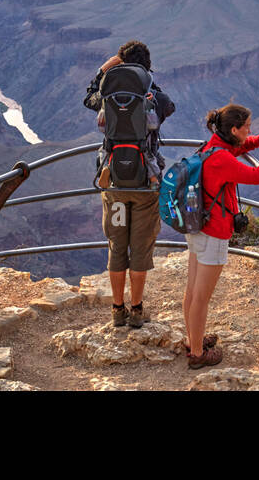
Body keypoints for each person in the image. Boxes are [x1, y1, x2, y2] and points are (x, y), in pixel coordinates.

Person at [182, 103, 259, 369]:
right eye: (247, 127)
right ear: (234, 129)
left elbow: (235, 148)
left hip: (197, 225)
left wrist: (257, 141)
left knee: (192, 291)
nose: (250, 129)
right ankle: (196, 353)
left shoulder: (212, 146)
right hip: (213, 233)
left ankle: (193, 338)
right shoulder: (222, 159)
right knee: (201, 297)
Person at [83, 40, 175, 329]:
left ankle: (117, 309)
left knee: (117, 245)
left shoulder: (107, 97)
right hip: (145, 186)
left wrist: (104, 70)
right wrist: (150, 83)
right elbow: (170, 107)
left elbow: (88, 99)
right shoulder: (153, 97)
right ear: (146, 67)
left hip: (115, 186)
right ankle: (137, 310)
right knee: (140, 247)